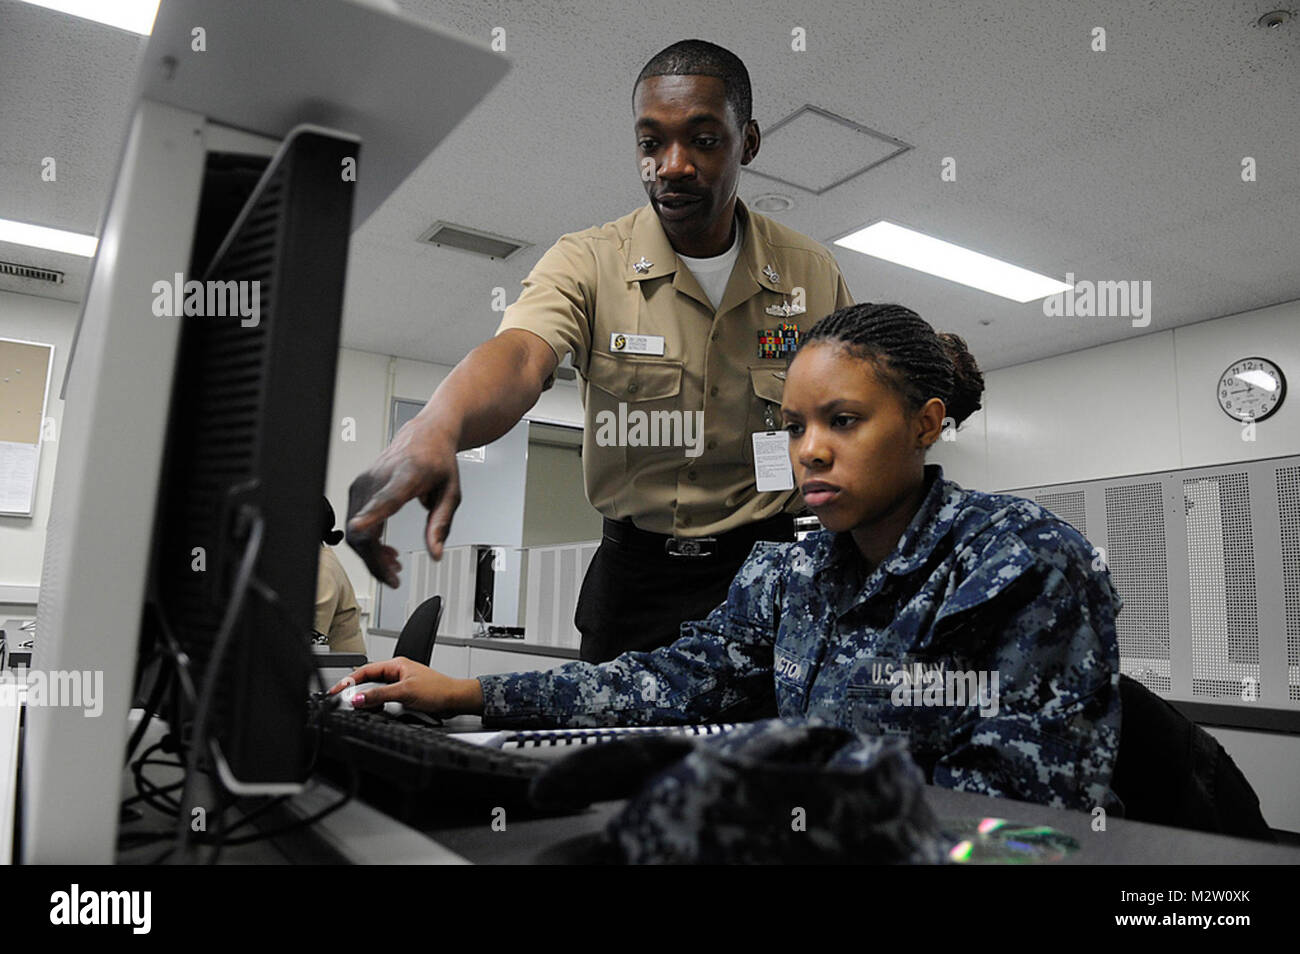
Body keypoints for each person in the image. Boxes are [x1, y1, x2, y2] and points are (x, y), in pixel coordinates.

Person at [332, 303, 1125, 813]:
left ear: (924, 425)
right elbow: (666, 683)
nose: (810, 451)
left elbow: (1022, 811)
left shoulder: (1020, 562)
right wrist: (467, 692)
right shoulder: (792, 571)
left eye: (844, 421)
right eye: (795, 426)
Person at [345, 39, 854, 663]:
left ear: (747, 142)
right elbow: (521, 355)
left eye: (703, 140)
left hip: (768, 576)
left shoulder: (810, 273)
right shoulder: (587, 260)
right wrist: (437, 424)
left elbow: (850, 413)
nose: (672, 165)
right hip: (634, 583)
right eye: (651, 143)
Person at [316, 498, 367, 655]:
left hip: (342, 667)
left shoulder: (321, 566)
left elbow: (310, 637)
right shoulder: (318, 561)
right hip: (331, 664)